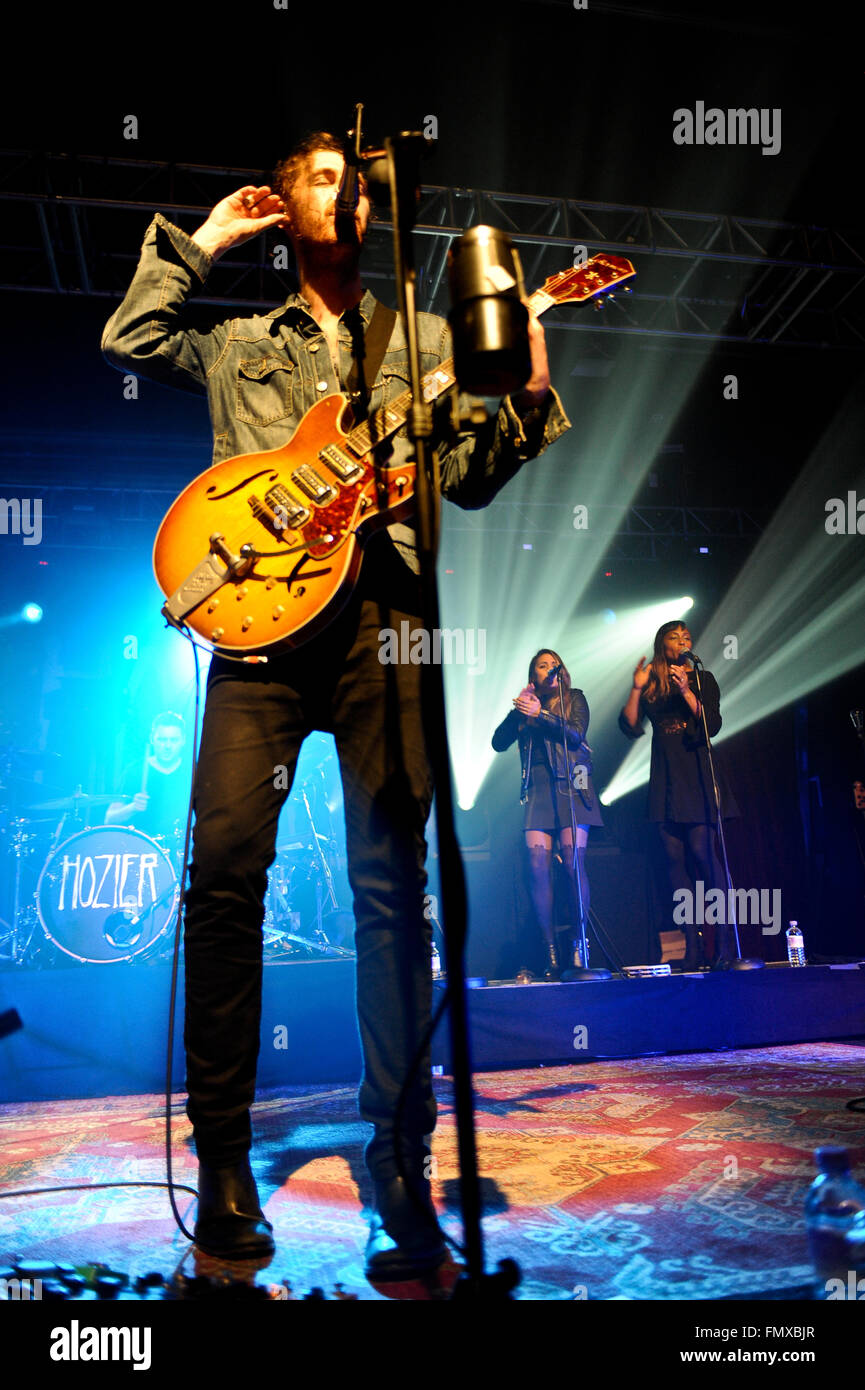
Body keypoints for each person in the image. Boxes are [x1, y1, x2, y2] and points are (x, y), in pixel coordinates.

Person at [101, 131, 570, 1279]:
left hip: (382, 624)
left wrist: (531, 373)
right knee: (223, 885)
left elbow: (468, 474)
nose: (342, 191)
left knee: (390, 895)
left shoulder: (417, 336)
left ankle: (399, 1150)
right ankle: (220, 1158)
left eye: (353, 182)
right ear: (288, 203)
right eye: (318, 176)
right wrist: (205, 239)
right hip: (259, 629)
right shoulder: (243, 338)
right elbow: (130, 336)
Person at [619, 620, 739, 971]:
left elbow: (711, 725)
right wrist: (636, 688)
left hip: (697, 771)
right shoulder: (652, 681)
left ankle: (727, 945)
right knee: (674, 863)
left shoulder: (702, 678)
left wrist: (687, 689)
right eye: (675, 637)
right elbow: (629, 726)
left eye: (686, 636)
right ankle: (693, 946)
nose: (683, 640)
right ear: (662, 644)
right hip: (666, 776)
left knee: (704, 853)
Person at [492, 649, 602, 979]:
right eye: (542, 665)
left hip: (572, 786)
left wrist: (541, 715)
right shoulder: (525, 707)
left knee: (571, 864)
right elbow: (498, 743)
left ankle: (579, 946)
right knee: (537, 868)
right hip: (538, 788)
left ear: (562, 671)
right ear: (533, 676)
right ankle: (550, 952)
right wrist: (519, 713)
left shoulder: (575, 698)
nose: (549, 668)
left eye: (554, 663)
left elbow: (575, 734)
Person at [105, 711, 188, 844]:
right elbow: (109, 818)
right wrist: (132, 807)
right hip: (141, 851)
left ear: (183, 740)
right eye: (162, 739)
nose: (167, 746)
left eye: (174, 740)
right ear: (152, 739)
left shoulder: (192, 771)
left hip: (183, 850)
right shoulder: (134, 771)